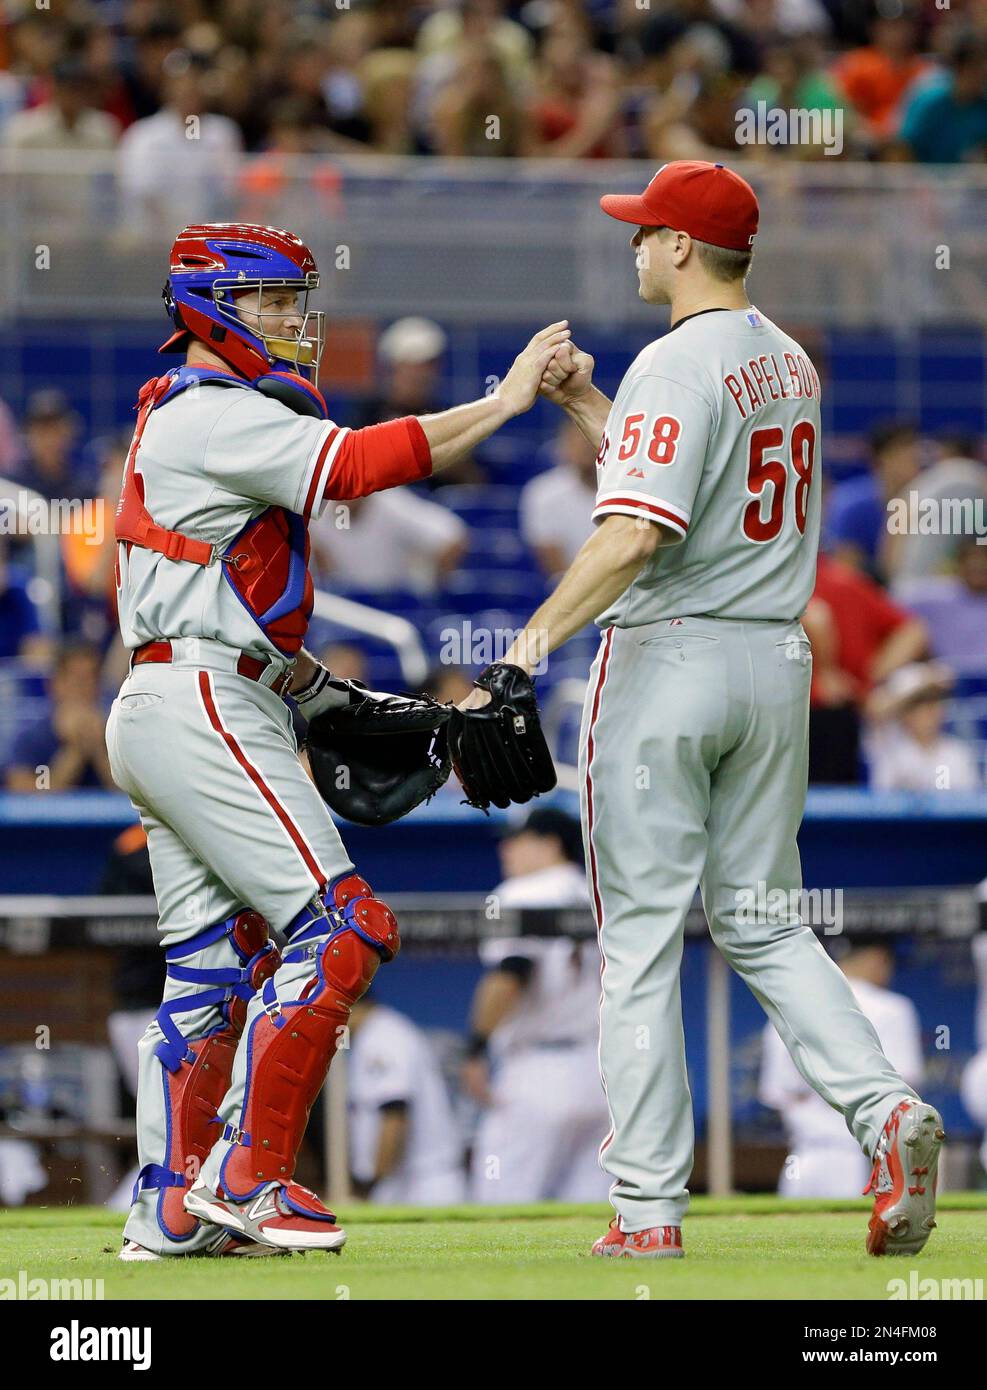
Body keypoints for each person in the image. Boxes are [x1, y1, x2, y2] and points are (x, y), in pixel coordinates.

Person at [460, 160, 945, 1258]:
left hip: (669, 658)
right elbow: (694, 478)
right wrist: (590, 406)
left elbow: (638, 530)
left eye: (645, 231)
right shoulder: (788, 358)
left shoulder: (675, 360)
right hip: (774, 659)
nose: (634, 245)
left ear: (682, 246)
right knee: (765, 919)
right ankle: (882, 1108)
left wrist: (520, 653)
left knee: (638, 941)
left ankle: (645, 1210)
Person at [104, 220, 570, 1259]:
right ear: (213, 304)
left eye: (291, 301)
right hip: (204, 700)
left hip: (186, 695)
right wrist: (503, 401)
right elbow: (359, 463)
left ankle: (169, 1207)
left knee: (213, 968)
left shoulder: (194, 410)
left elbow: (235, 610)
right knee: (343, 928)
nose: (290, 320)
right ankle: (251, 1177)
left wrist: (336, 699)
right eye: (271, 301)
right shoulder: (211, 407)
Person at [464, 809, 609, 1204]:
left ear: (550, 844)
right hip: (602, 1075)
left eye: (518, 839)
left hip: (537, 1071)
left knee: (502, 1206)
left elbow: (511, 975)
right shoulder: (597, 894)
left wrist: (475, 1049)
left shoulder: (523, 892)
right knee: (587, 1211)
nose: (506, 848)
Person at [760, 938, 924, 1197]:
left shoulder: (791, 1007)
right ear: (878, 958)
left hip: (802, 1158)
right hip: (858, 1159)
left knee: (790, 1223)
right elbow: (903, 1091)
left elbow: (778, 1093)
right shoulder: (891, 1008)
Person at [347, 995, 465, 1205]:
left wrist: (371, 1187)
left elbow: (395, 1113)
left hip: (424, 1185)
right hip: (404, 1182)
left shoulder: (383, 1037)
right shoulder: (374, 1033)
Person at [5, 640, 114, 792]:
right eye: (78, 680)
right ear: (56, 684)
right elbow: (24, 792)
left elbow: (133, 795)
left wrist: (97, 749)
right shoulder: (31, 739)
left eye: (92, 679)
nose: (86, 688)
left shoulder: (116, 735)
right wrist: (75, 750)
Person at [864, 661, 980, 793]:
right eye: (919, 704)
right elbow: (875, 711)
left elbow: (968, 801)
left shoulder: (957, 753)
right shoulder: (889, 753)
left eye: (934, 702)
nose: (930, 711)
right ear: (905, 713)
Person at [824, 421, 920, 578]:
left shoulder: (922, 501)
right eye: (905, 454)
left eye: (915, 455)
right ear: (883, 458)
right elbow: (844, 570)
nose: (914, 462)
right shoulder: (852, 504)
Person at [520, 418, 597, 580]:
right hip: (567, 586)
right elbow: (554, 565)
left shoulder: (628, 491)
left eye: (590, 439)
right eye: (577, 440)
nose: (585, 447)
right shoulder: (542, 493)